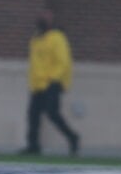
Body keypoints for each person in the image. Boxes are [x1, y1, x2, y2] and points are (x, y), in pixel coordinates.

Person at [21, 10, 81, 157]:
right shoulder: (36, 40)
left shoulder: (57, 38)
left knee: (52, 113)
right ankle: (33, 145)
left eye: (46, 18)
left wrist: (52, 79)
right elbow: (35, 64)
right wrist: (34, 82)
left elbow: (63, 62)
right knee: (33, 115)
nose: (42, 20)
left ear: (51, 21)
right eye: (41, 18)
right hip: (37, 85)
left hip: (52, 83)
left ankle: (72, 137)